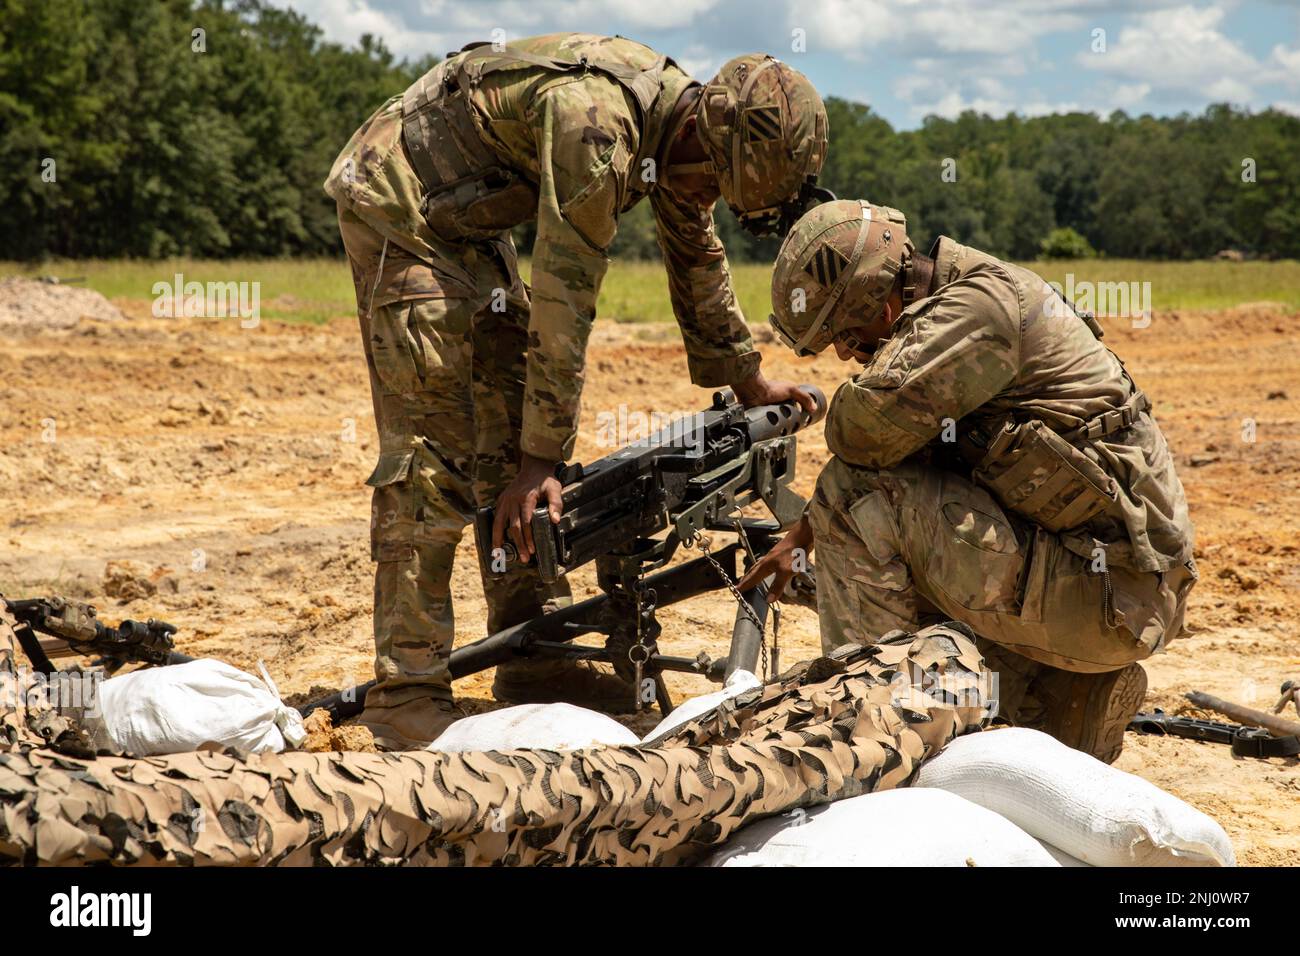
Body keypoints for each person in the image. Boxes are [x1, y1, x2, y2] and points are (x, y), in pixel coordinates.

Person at [323, 33, 824, 749]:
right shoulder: (597, 128)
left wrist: (748, 380)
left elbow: (695, 252)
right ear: (702, 137)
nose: (705, 196)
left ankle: (531, 657)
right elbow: (565, 298)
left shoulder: (683, 133)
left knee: (513, 416)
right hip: (403, 203)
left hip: (470, 218)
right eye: (711, 181)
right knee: (435, 446)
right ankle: (405, 690)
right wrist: (542, 462)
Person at [741, 199, 1197, 763]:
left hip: (1109, 598)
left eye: (847, 334)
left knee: (854, 501)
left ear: (882, 306)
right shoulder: (962, 300)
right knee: (881, 520)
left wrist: (821, 520)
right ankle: (1053, 701)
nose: (843, 353)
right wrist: (802, 535)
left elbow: (859, 432)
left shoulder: (977, 311)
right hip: (1108, 584)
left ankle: (879, 733)